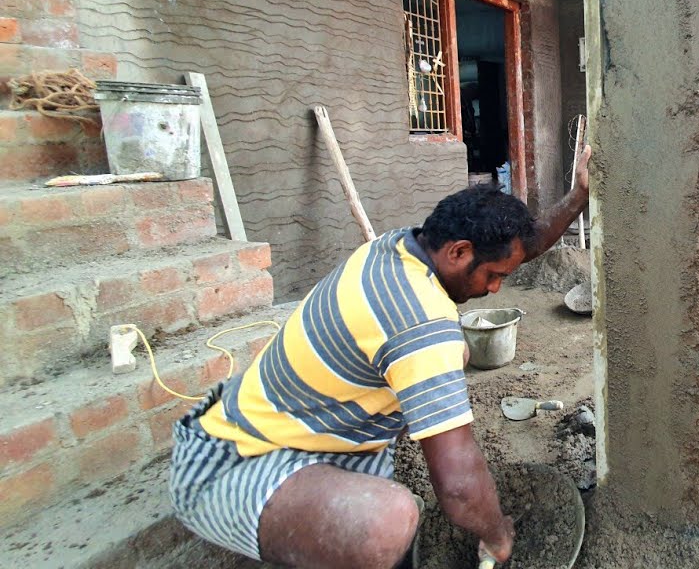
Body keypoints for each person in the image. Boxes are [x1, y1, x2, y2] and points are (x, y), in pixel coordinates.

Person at [169, 148, 592, 569]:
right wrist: (498, 535)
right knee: (388, 520)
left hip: (310, 430)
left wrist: (578, 194)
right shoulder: (420, 325)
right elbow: (461, 488)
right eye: (494, 277)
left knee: (454, 352)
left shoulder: (399, 247)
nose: (497, 289)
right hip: (234, 465)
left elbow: (522, 245)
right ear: (459, 252)